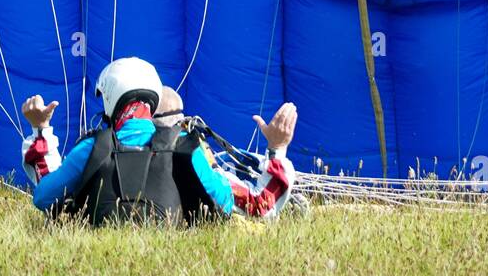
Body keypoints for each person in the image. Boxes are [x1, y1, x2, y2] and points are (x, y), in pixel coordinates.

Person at [20, 57, 296, 225]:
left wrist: (40, 130)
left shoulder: (91, 148)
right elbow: (258, 205)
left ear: (110, 99)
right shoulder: (186, 148)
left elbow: (44, 196)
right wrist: (277, 149)